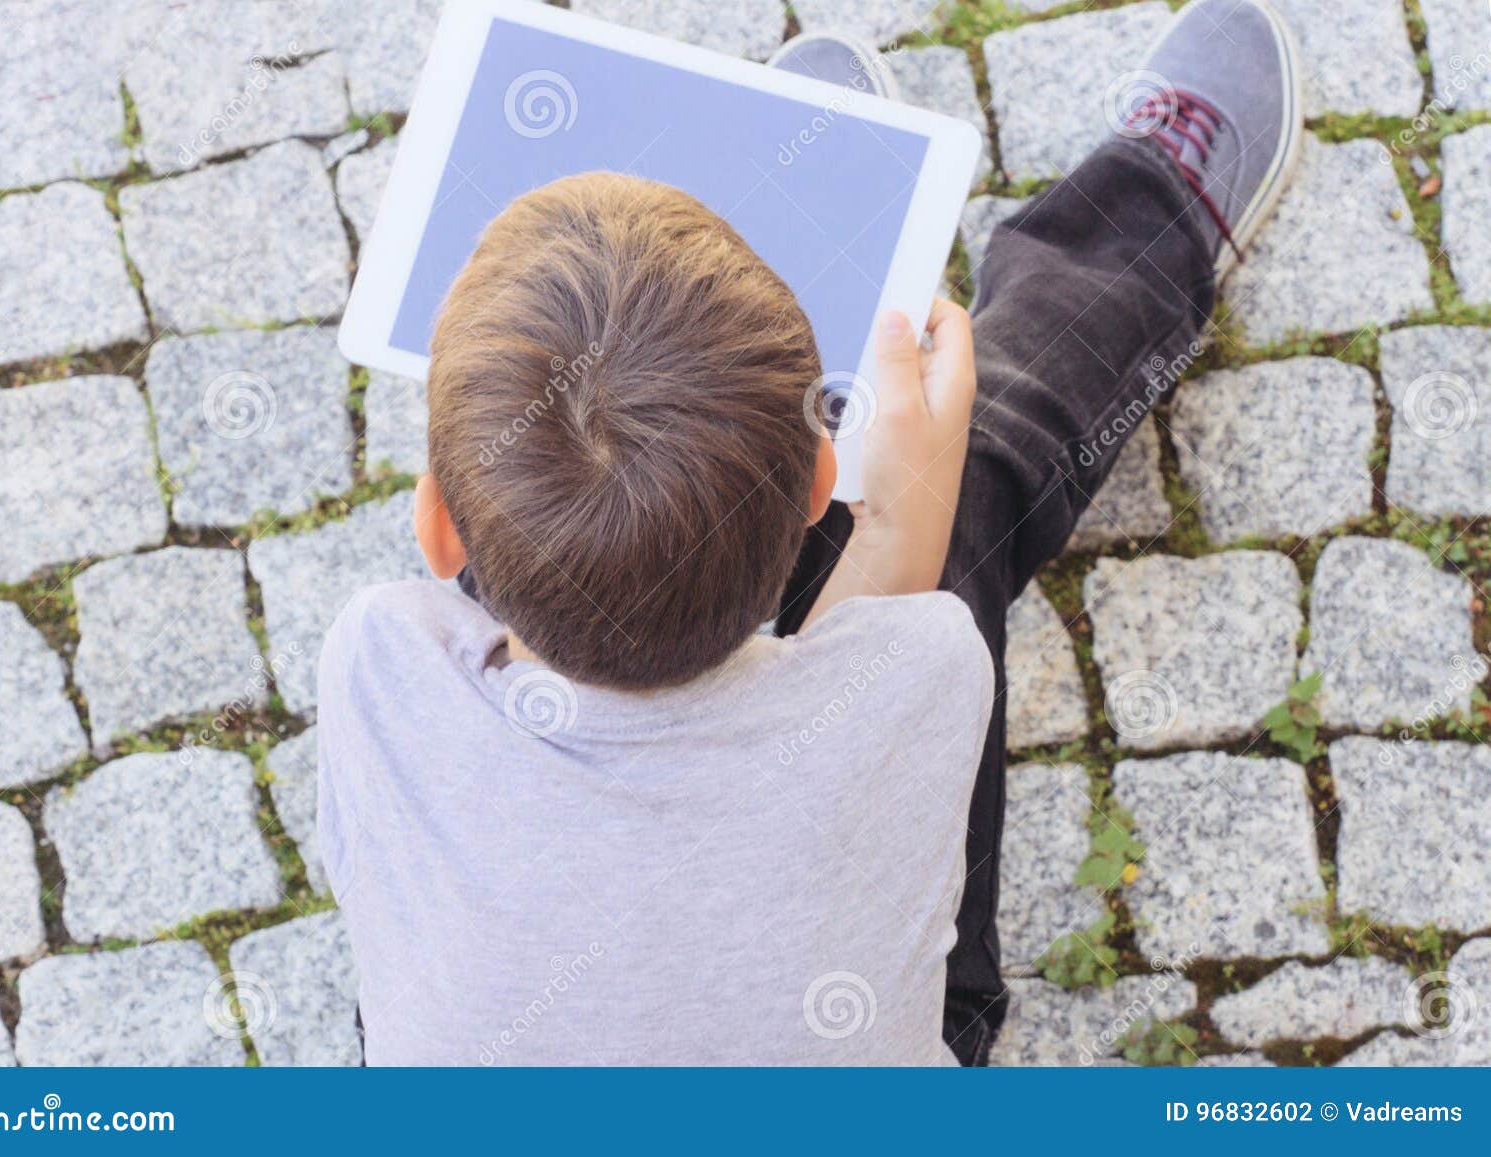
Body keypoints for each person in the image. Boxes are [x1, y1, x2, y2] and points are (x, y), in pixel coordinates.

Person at [318, 0, 1302, 1064]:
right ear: (821, 472)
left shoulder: (379, 662)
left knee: (545, 532)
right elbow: (896, 577)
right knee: (967, 480)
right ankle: (1146, 219)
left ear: (432, 527)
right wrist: (911, 466)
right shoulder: (920, 675)